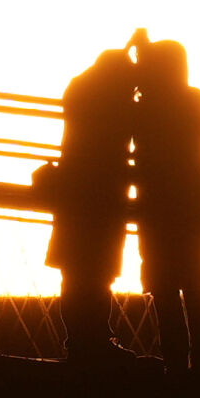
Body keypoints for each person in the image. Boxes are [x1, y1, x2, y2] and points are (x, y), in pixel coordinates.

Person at [39, 45, 141, 365]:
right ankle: (94, 340)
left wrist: (126, 51)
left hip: (75, 192)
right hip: (104, 196)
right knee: (96, 272)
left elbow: (84, 84)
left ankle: (82, 341)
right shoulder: (119, 107)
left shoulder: (83, 94)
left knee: (77, 272)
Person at [132, 38, 200, 380]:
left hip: (156, 205)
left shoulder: (145, 106)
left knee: (165, 286)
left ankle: (175, 364)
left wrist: (136, 57)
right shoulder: (193, 99)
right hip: (192, 203)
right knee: (196, 287)